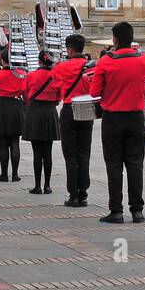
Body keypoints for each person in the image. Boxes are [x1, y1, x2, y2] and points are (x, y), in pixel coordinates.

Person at [90, 22, 145, 224]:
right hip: (135, 117)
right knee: (136, 164)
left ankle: (116, 210)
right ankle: (137, 210)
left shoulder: (106, 62)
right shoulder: (144, 60)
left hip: (113, 118)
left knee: (114, 164)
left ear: (114, 40)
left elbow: (94, 92)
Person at [53, 34, 94, 206]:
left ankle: (73, 195)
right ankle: (83, 193)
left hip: (70, 109)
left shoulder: (63, 66)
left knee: (70, 154)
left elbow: (53, 83)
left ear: (69, 49)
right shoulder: (92, 67)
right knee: (84, 153)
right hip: (87, 109)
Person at [22, 51, 61, 195]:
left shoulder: (31, 75)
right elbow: (59, 97)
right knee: (48, 152)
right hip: (50, 112)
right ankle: (48, 185)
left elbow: (24, 93)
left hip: (35, 111)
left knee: (37, 152)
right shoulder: (56, 76)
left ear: (39, 61)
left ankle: (37, 185)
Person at [0, 53, 26, 182]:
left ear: (2, 60)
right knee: (15, 142)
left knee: (3, 143)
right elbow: (25, 91)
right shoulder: (20, 74)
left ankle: (4, 174)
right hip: (16, 107)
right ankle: (15, 174)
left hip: (1, 107)